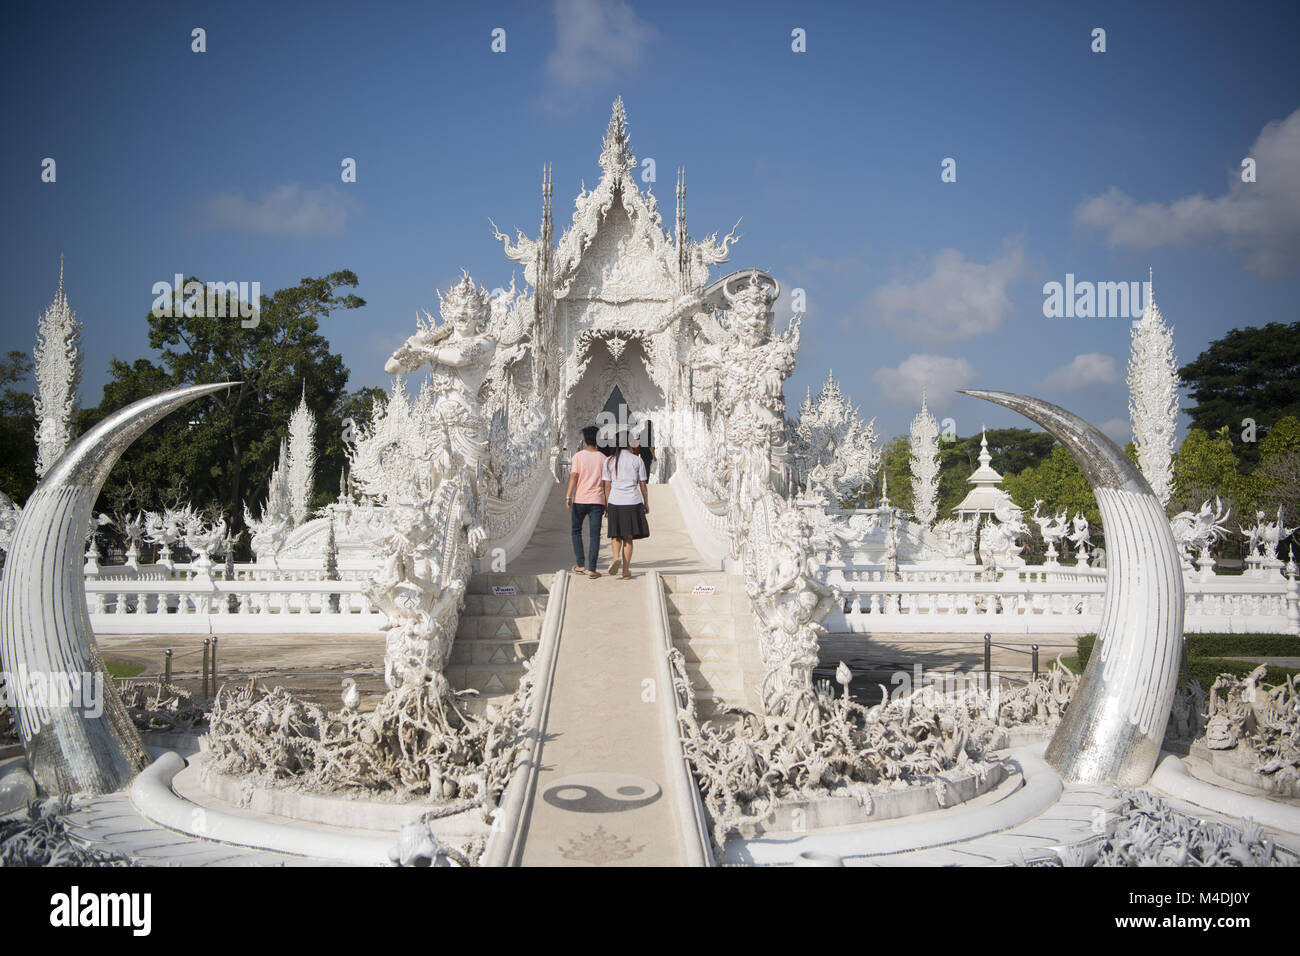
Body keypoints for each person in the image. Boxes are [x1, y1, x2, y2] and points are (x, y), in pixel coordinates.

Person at [602, 430, 649, 579]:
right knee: (628, 538)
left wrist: (606, 505)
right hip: (632, 501)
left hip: (615, 501)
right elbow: (643, 485)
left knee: (615, 535)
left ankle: (616, 557)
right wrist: (646, 503)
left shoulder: (609, 461)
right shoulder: (637, 460)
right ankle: (626, 571)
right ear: (629, 443)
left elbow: (607, 486)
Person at [565, 425, 607, 578]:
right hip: (597, 500)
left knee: (576, 531)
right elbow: (605, 482)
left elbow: (574, 476)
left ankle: (581, 565)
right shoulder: (603, 458)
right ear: (597, 440)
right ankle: (592, 569)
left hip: (580, 499)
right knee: (595, 535)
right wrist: (607, 503)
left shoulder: (578, 457)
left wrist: (568, 496)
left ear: (584, 440)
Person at [633, 417, 656, 482]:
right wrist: (654, 455)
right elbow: (650, 446)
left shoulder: (642, 433)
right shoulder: (650, 434)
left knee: (642, 468)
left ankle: (641, 480)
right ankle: (645, 482)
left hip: (642, 454)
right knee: (647, 469)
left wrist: (637, 452)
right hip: (648, 455)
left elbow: (637, 442)